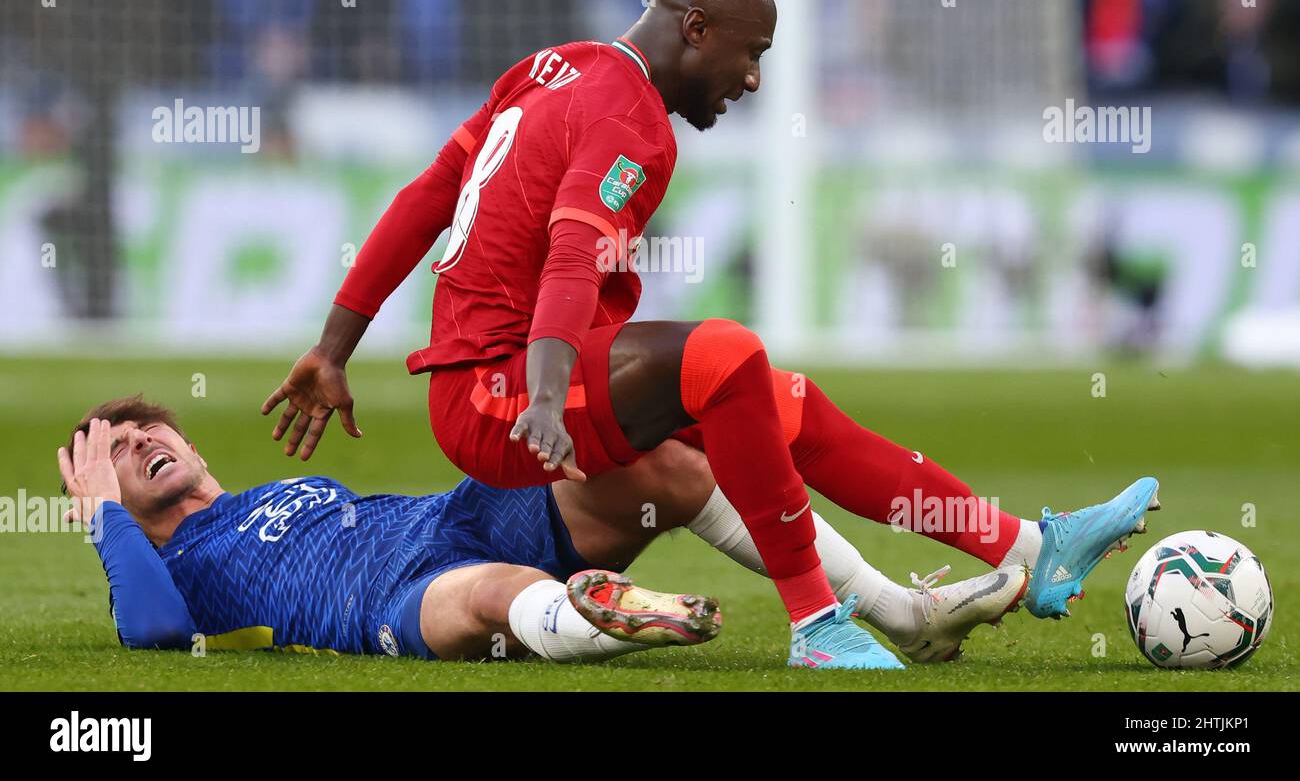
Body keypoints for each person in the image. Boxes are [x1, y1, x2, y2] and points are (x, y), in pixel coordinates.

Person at [264, 0, 1160, 668]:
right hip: (499, 396)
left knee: (778, 402)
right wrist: (541, 394)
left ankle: (1025, 554)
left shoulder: (550, 70)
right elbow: (573, 253)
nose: (754, 81)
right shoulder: (630, 123)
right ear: (696, 27)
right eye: (751, 54)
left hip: (525, 376)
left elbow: (431, 190)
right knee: (723, 355)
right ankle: (816, 628)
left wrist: (335, 346)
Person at [60, 396, 1025, 664]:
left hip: (456, 512)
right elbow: (146, 634)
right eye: (119, 450)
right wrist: (104, 514)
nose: (142, 443)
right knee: (486, 597)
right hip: (385, 602)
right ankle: (596, 614)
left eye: (149, 429)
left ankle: (903, 615)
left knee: (668, 468)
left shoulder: (270, 490)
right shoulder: (176, 570)